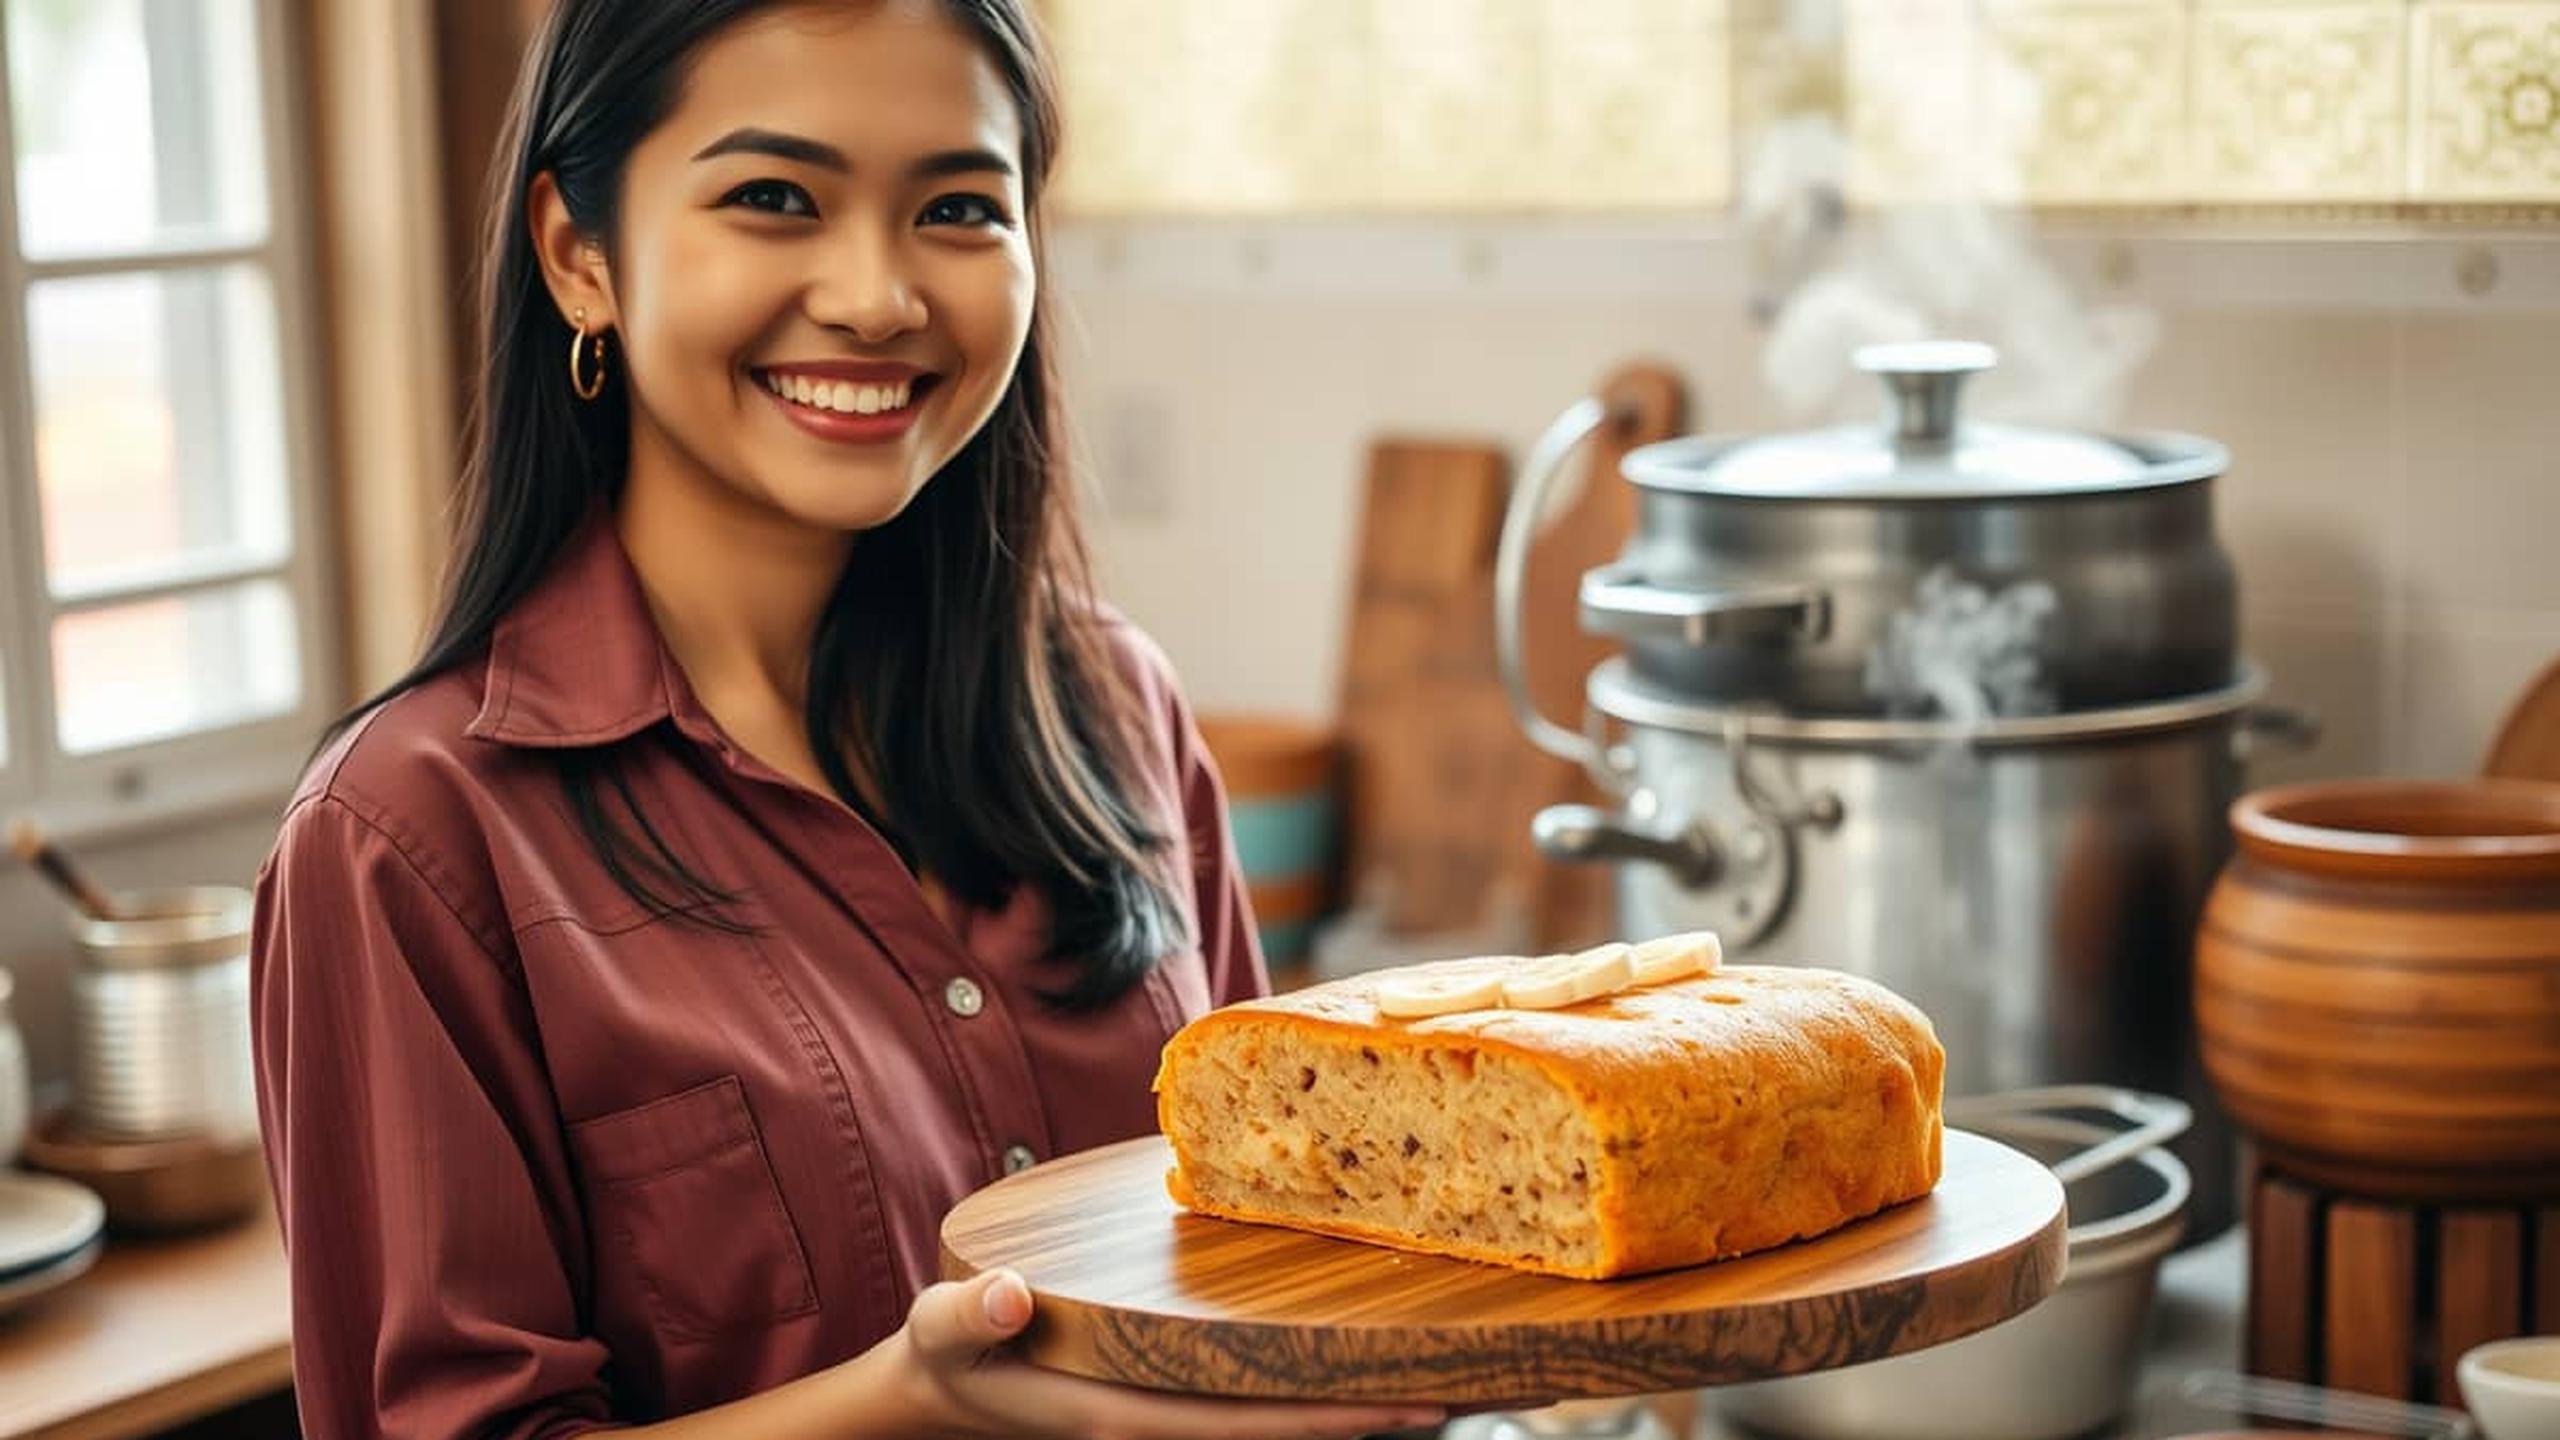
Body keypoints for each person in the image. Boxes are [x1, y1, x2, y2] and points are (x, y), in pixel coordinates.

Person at [250, 3, 1449, 1435]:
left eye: (956, 206)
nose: (878, 295)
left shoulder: (1113, 705)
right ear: (579, 254)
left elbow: (1285, 1239)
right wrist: (916, 1404)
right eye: (773, 198)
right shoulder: (406, 840)